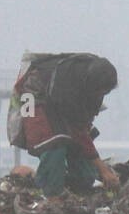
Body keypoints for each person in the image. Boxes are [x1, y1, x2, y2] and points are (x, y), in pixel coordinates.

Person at [19, 53, 121, 196]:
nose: (102, 95)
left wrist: (97, 166)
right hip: (34, 97)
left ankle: (70, 191)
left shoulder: (95, 86)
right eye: (101, 91)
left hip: (61, 110)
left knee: (86, 172)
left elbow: (84, 129)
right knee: (54, 144)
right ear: (92, 85)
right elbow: (78, 130)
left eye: (107, 92)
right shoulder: (68, 85)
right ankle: (49, 194)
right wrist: (103, 169)